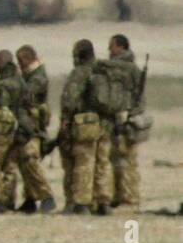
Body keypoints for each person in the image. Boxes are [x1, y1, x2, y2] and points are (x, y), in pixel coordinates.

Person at [59, 39, 111, 215]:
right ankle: (102, 201)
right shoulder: (103, 71)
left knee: (83, 162)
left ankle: (81, 203)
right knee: (102, 163)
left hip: (84, 124)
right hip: (104, 123)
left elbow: (70, 99)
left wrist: (65, 120)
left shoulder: (80, 72)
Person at [13, 45, 57, 213]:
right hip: (26, 124)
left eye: (21, 60)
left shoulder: (37, 78)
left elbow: (27, 95)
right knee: (24, 163)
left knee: (31, 160)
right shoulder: (29, 75)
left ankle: (47, 197)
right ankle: (30, 199)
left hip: (32, 126)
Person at [106, 34, 145, 211]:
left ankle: (130, 197)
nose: (109, 50)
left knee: (127, 160)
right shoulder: (119, 68)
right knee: (115, 159)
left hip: (126, 118)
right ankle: (119, 195)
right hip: (116, 119)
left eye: (112, 46)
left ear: (121, 47)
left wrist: (131, 115)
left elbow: (138, 97)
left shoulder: (128, 69)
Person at [0, 50, 25, 212]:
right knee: (11, 166)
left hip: (3, 130)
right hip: (20, 128)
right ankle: (10, 200)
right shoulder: (22, 82)